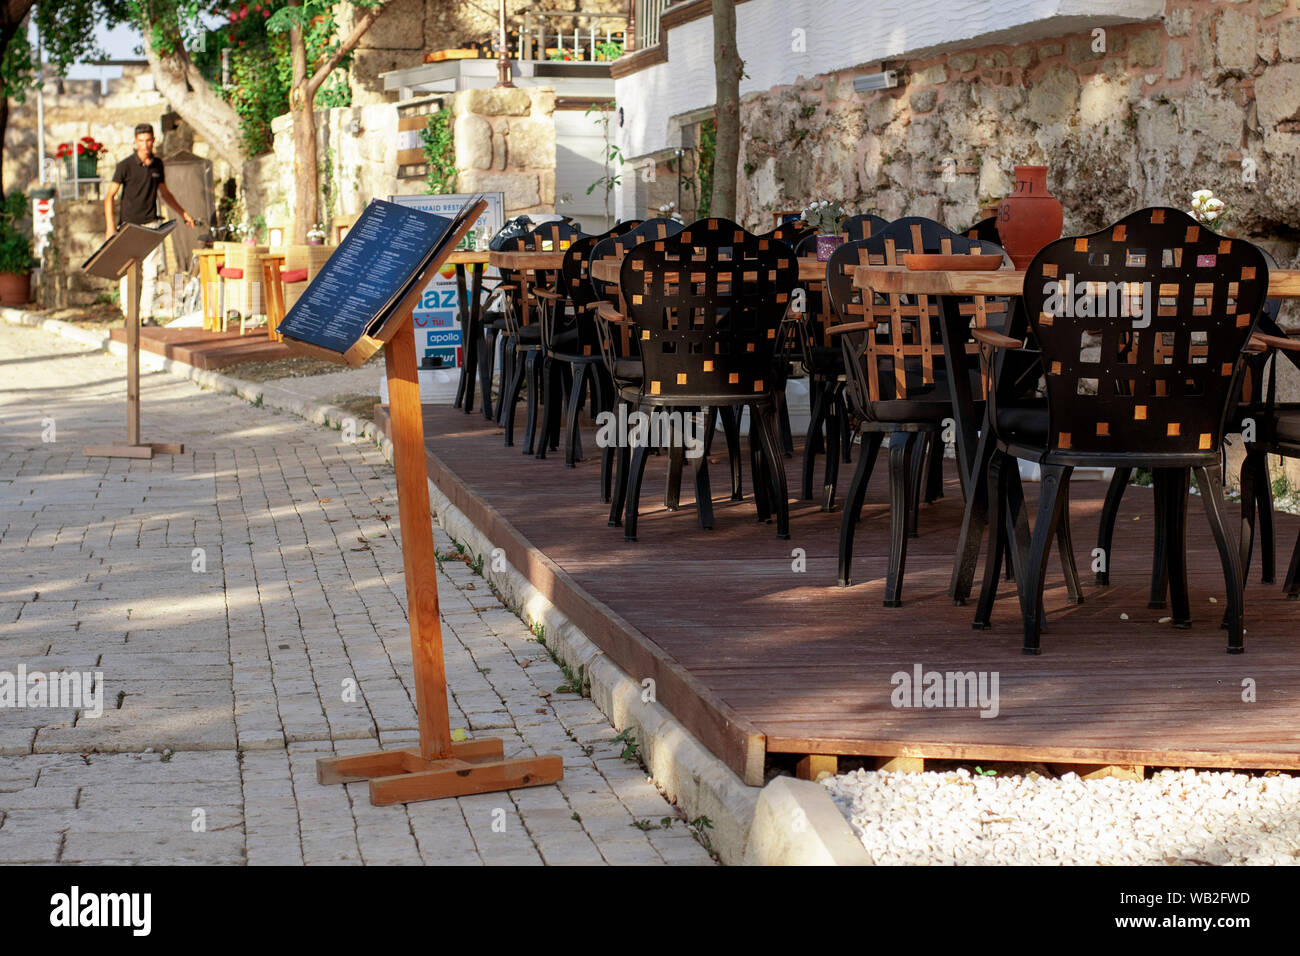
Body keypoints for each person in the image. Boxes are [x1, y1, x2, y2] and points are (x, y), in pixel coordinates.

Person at [103, 123, 195, 321]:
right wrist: (110, 227)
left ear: (153, 141)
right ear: (135, 142)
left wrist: (182, 212)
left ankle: (146, 315)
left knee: (151, 271)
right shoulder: (125, 166)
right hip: (128, 226)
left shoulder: (157, 165)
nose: (145, 145)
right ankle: (129, 313)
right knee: (129, 271)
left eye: (148, 140)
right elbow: (109, 196)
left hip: (151, 224)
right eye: (141, 141)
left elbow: (165, 193)